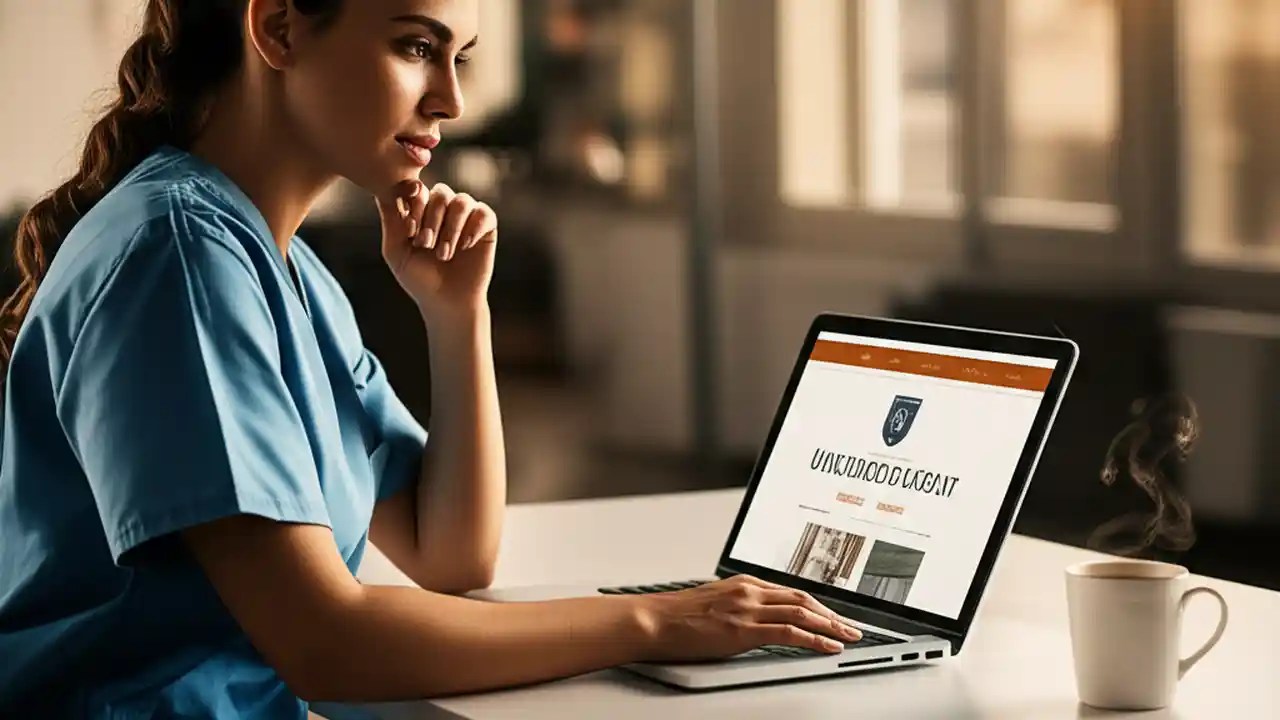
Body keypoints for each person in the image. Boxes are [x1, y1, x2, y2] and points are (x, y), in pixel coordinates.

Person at [0, 1, 862, 716]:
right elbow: (328, 645)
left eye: (462, 58)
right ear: (279, 30)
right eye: (416, 47)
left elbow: (451, 552)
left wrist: (457, 316)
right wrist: (653, 622)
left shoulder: (281, 263)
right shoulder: (183, 256)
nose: (449, 100)